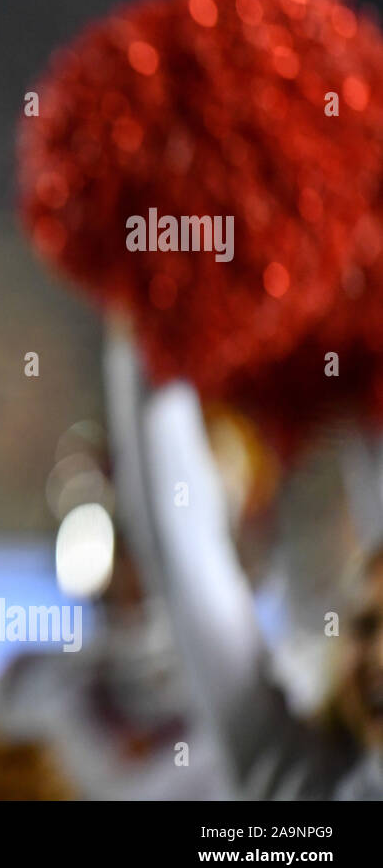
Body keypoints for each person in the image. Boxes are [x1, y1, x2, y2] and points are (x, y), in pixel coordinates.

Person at [106, 330, 381, 799]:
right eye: (366, 624)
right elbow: (191, 569)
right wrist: (153, 319)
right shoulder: (303, 783)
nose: (379, 654)